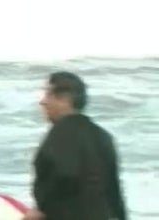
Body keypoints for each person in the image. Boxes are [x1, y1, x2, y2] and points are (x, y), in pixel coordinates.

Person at [25, 71, 127, 220]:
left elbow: (66, 172)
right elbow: (115, 193)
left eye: (48, 94)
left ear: (65, 99)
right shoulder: (103, 137)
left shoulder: (59, 135)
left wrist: (41, 209)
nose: (43, 102)